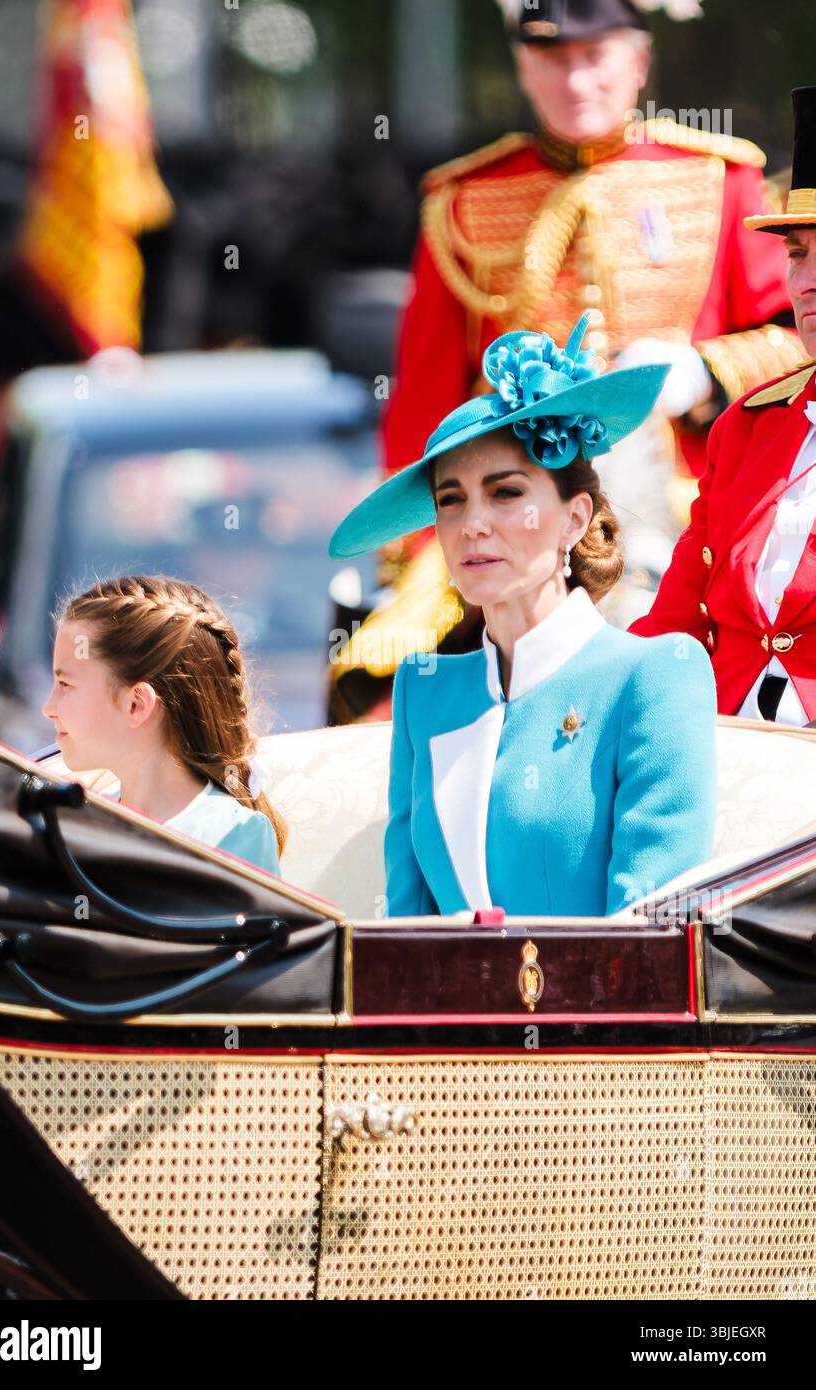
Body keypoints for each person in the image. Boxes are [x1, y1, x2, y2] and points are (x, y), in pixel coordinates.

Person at [329, 0, 800, 723]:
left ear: (638, 60)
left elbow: (794, 340)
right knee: (381, 693)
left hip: (687, 514)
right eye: (553, 58)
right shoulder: (462, 197)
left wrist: (703, 372)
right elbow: (424, 394)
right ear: (523, 65)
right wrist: (413, 554)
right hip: (504, 509)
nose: (575, 78)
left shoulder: (718, 177)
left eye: (594, 55)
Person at [329, 316, 717, 917]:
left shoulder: (655, 673)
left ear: (575, 518)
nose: (472, 524)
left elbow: (656, 942)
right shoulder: (422, 689)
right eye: (450, 500)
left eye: (506, 492)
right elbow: (404, 932)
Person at [630, 88, 816, 726]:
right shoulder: (748, 425)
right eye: (797, 255)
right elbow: (676, 616)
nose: (806, 281)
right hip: (728, 754)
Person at [0, 574, 284, 874]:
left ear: (136, 704)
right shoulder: (74, 812)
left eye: (65, 685)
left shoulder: (234, 835)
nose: (48, 708)